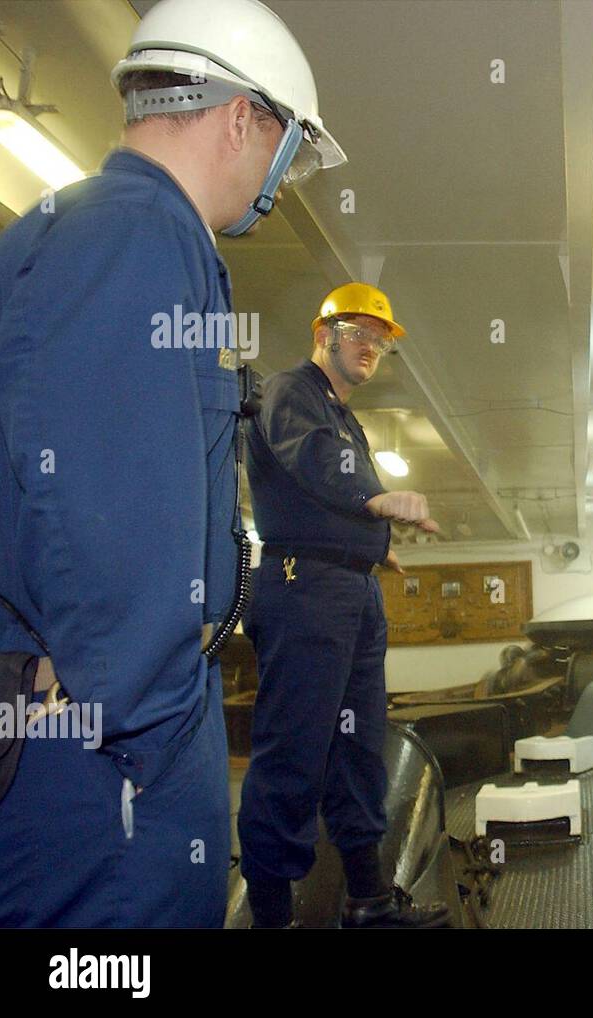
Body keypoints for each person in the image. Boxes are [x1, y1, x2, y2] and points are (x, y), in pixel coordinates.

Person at [0, 0, 343, 927]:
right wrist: (145, 734)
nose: (282, 182)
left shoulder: (83, 229)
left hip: (90, 732)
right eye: (290, 151)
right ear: (242, 119)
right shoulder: (138, 238)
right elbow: (108, 521)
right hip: (112, 766)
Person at [237, 283, 449, 928]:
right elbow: (317, 462)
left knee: (357, 750)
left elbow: (328, 489)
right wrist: (377, 502)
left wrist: (372, 546)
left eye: (381, 340)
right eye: (360, 332)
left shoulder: (345, 413)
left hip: (348, 588)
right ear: (322, 333)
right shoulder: (289, 391)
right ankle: (271, 920)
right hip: (305, 589)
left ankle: (370, 904)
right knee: (294, 751)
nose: (372, 348)